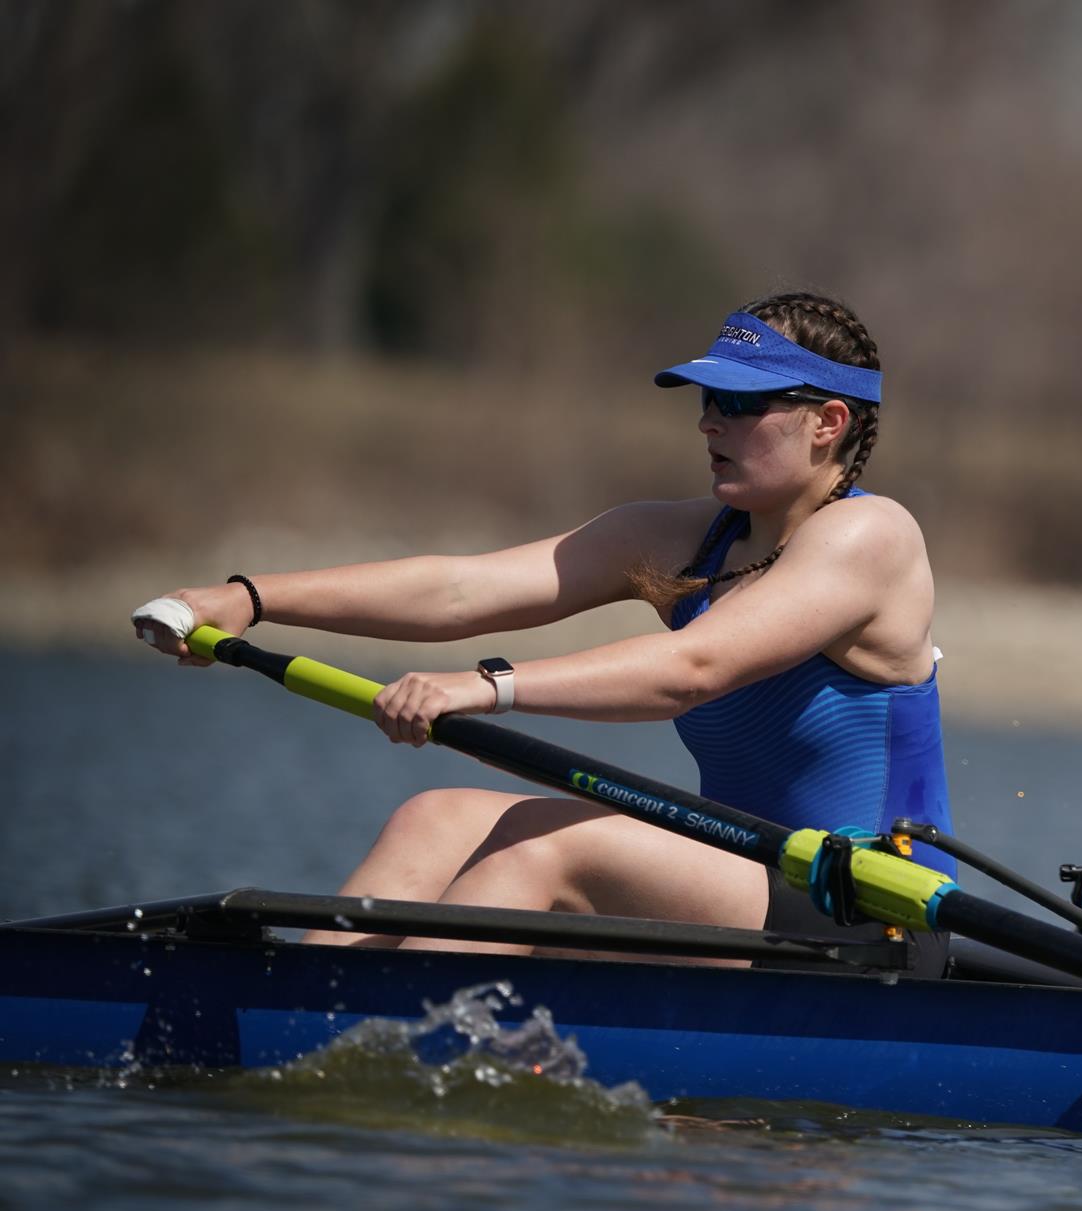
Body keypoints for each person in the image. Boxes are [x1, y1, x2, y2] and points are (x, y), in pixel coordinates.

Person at [136, 291, 955, 974]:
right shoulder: (684, 539)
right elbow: (464, 588)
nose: (710, 423)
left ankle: (388, 1044)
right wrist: (252, 596)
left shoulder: (870, 536)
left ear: (829, 423)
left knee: (540, 841)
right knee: (435, 814)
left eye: (740, 404)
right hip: (745, 878)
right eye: (708, 401)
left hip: (869, 912)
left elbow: (694, 667)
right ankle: (304, 1016)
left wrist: (487, 686)